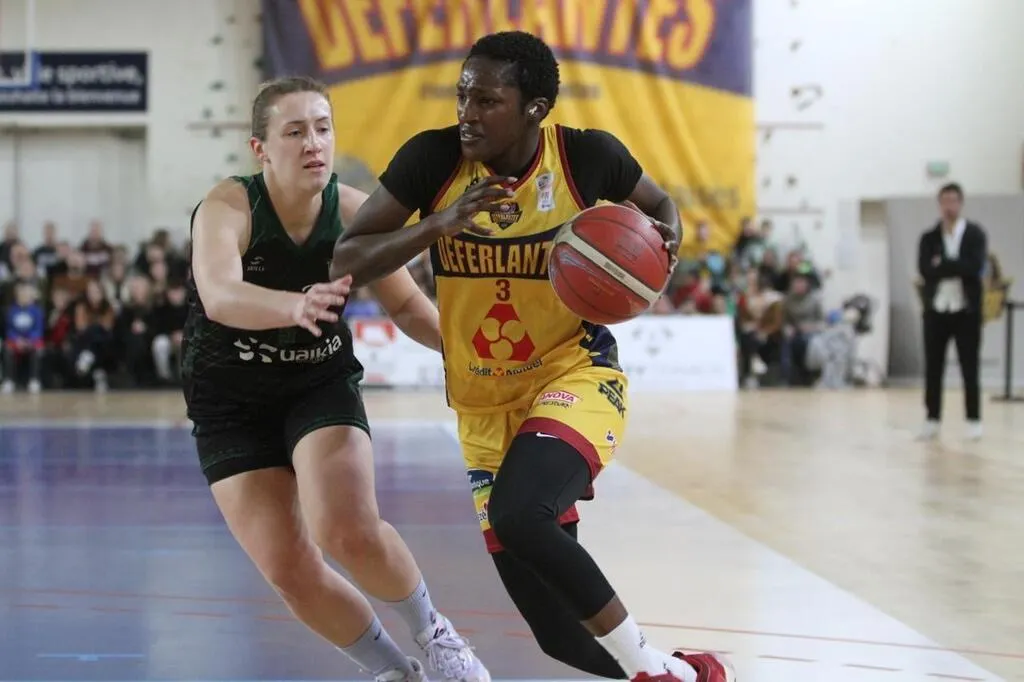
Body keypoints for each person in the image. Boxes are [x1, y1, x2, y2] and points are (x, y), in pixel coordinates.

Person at [331, 31, 735, 682]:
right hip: (482, 406)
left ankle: (654, 674)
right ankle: (687, 675)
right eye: (463, 93)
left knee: (522, 515)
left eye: (487, 99)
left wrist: (663, 247)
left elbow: (659, 207)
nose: (468, 111)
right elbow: (345, 257)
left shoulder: (586, 158)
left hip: (573, 377)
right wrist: (437, 225)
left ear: (535, 108)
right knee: (561, 638)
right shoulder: (432, 162)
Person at [182, 75, 490, 682]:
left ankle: (436, 636)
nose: (312, 143)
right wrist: (291, 307)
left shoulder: (353, 212)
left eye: (322, 128)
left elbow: (405, 306)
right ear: (260, 149)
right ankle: (394, 671)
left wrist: (468, 355)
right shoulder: (228, 206)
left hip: (315, 383)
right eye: (294, 131)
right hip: (229, 404)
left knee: (344, 529)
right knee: (289, 570)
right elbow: (219, 295)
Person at [916, 182, 988, 441]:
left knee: (970, 365)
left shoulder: (975, 235)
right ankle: (932, 418)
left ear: (961, 203)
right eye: (944, 201)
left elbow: (974, 267)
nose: (949, 206)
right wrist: (954, 266)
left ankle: (973, 419)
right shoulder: (929, 237)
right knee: (933, 367)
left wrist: (945, 264)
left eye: (954, 201)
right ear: (939, 204)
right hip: (937, 310)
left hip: (965, 311)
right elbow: (926, 270)